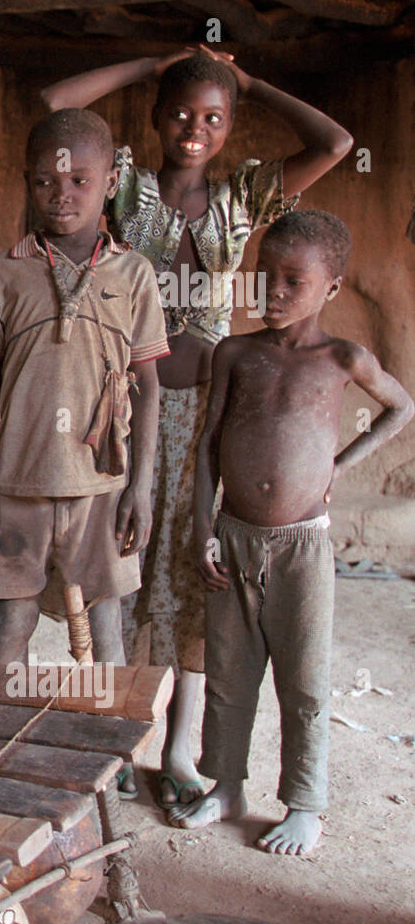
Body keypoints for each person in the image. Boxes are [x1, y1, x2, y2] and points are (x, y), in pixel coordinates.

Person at [41, 47, 352, 801]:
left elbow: (335, 145)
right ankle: (114, 741)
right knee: (120, 564)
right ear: (154, 117)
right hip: (123, 406)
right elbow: (56, 103)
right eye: (179, 112)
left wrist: (247, 81)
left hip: (211, 411)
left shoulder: (244, 195)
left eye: (214, 118)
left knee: (192, 575)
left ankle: (178, 753)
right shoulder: (122, 184)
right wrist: (150, 63)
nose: (194, 128)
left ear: (230, 127)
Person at [172, 210, 412, 854]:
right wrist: (203, 531)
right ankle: (225, 785)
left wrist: (338, 465)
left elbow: (401, 407)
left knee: (303, 680)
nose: (272, 293)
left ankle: (306, 804)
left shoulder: (343, 358)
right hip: (233, 536)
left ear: (331, 288)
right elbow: (208, 446)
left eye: (293, 281)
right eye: (264, 277)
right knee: (228, 671)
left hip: (303, 545)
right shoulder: (236, 352)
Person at [0, 109, 168, 793]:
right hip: (19, 486)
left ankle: (107, 753)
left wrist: (142, 488)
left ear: (112, 181)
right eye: (45, 180)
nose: (62, 193)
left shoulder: (135, 274)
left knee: (107, 625)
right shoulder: (5, 272)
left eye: (81, 179)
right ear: (28, 183)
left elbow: (148, 388)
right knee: (12, 621)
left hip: (101, 489)